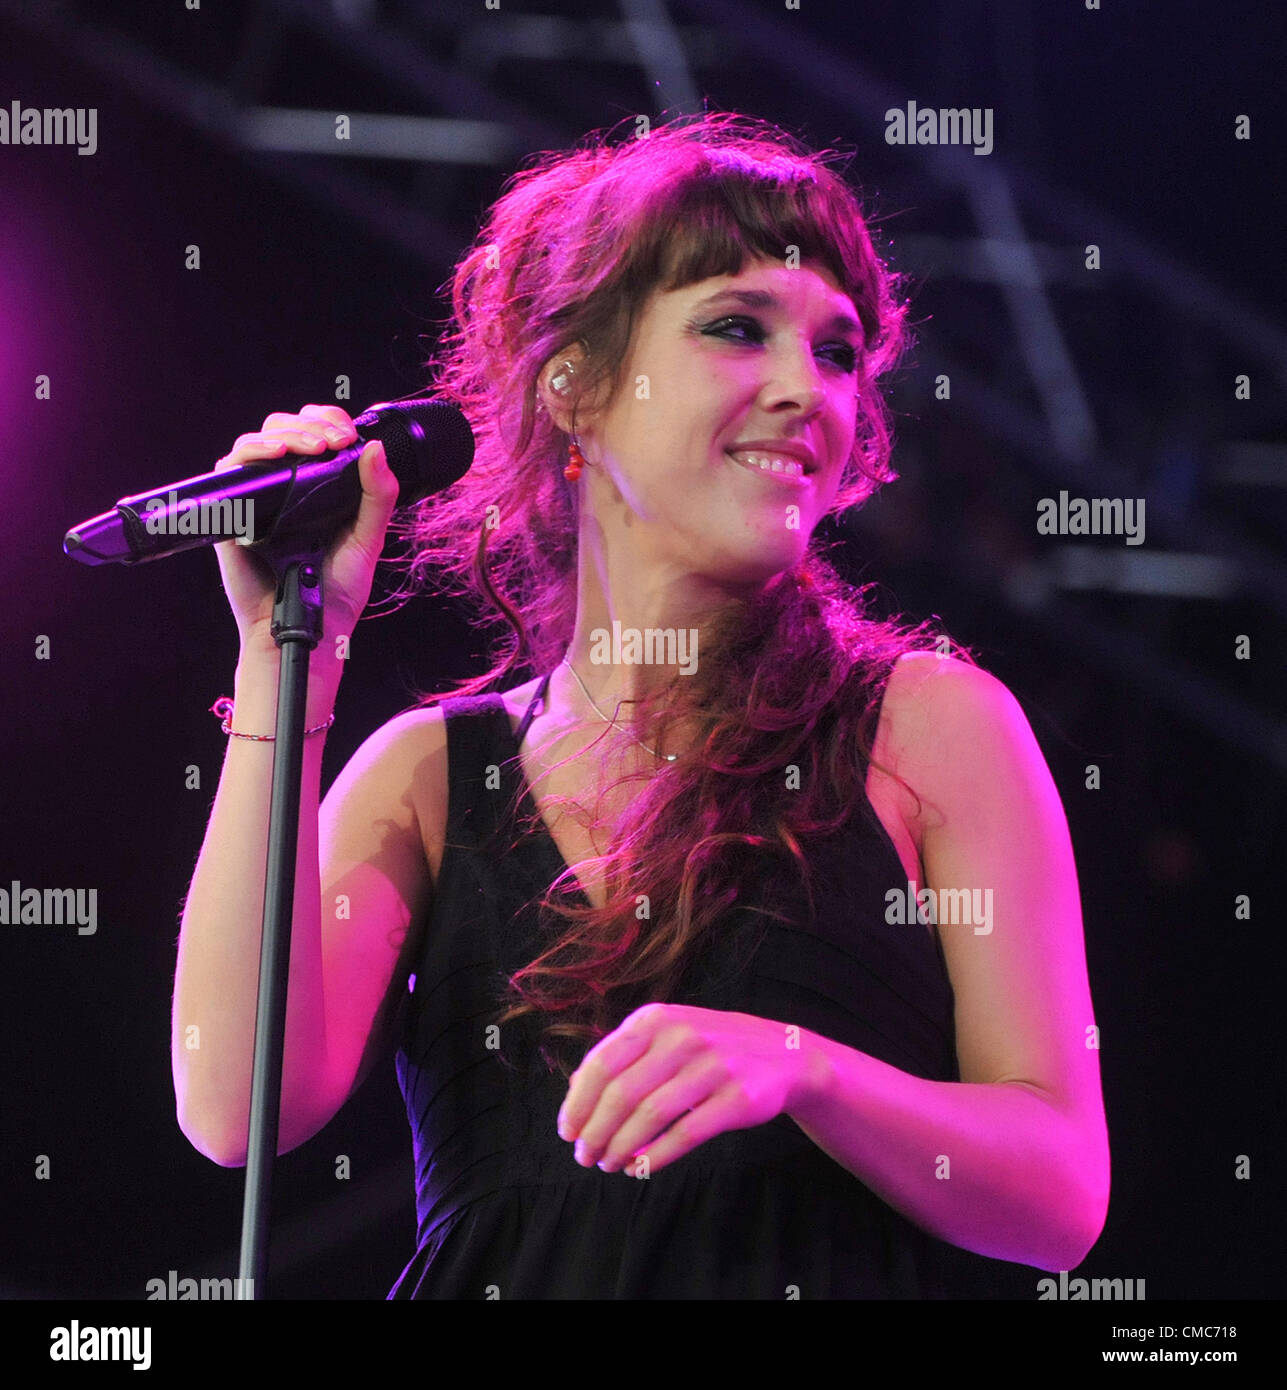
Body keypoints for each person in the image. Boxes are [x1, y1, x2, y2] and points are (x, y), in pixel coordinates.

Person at [172, 112, 1110, 1299]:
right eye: (735, 329)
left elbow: (1062, 1190)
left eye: (836, 351)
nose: (802, 392)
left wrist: (806, 1069)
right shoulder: (433, 771)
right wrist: (280, 649)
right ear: (576, 385)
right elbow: (235, 1101)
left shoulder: (926, 725)